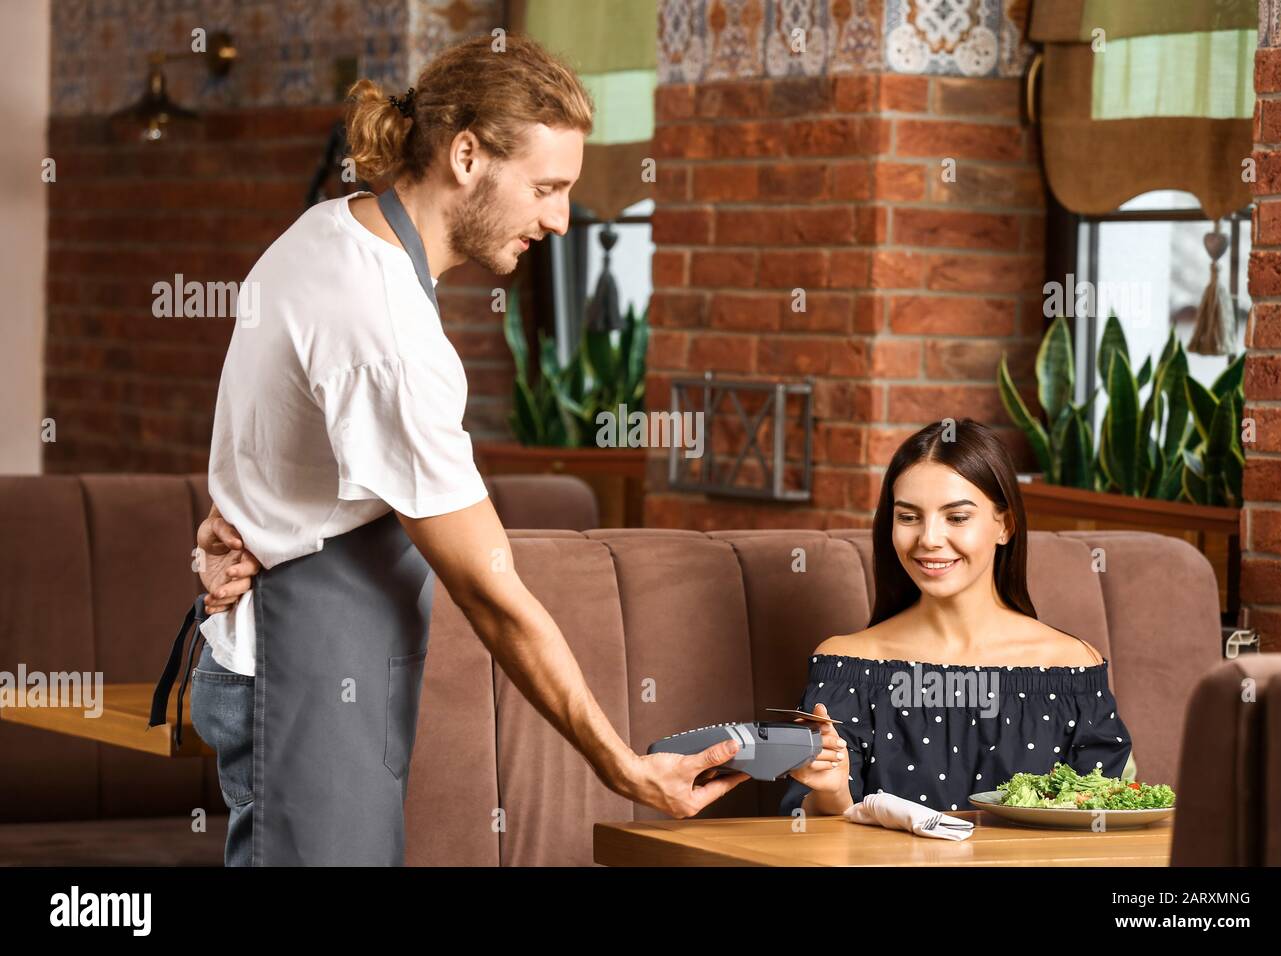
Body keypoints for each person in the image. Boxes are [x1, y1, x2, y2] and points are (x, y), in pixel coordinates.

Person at [148, 33, 745, 867]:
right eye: (547, 187)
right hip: (303, 681)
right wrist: (623, 766)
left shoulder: (326, 232)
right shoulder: (387, 326)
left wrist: (239, 521)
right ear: (466, 154)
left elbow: (280, 449)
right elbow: (491, 592)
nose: (562, 219)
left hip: (310, 665)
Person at [781, 418, 1138, 817]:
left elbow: (1111, 819)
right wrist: (830, 791)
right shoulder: (846, 667)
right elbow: (812, 831)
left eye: (957, 517)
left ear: (1004, 525)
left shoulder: (1072, 668)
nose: (929, 538)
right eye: (909, 517)